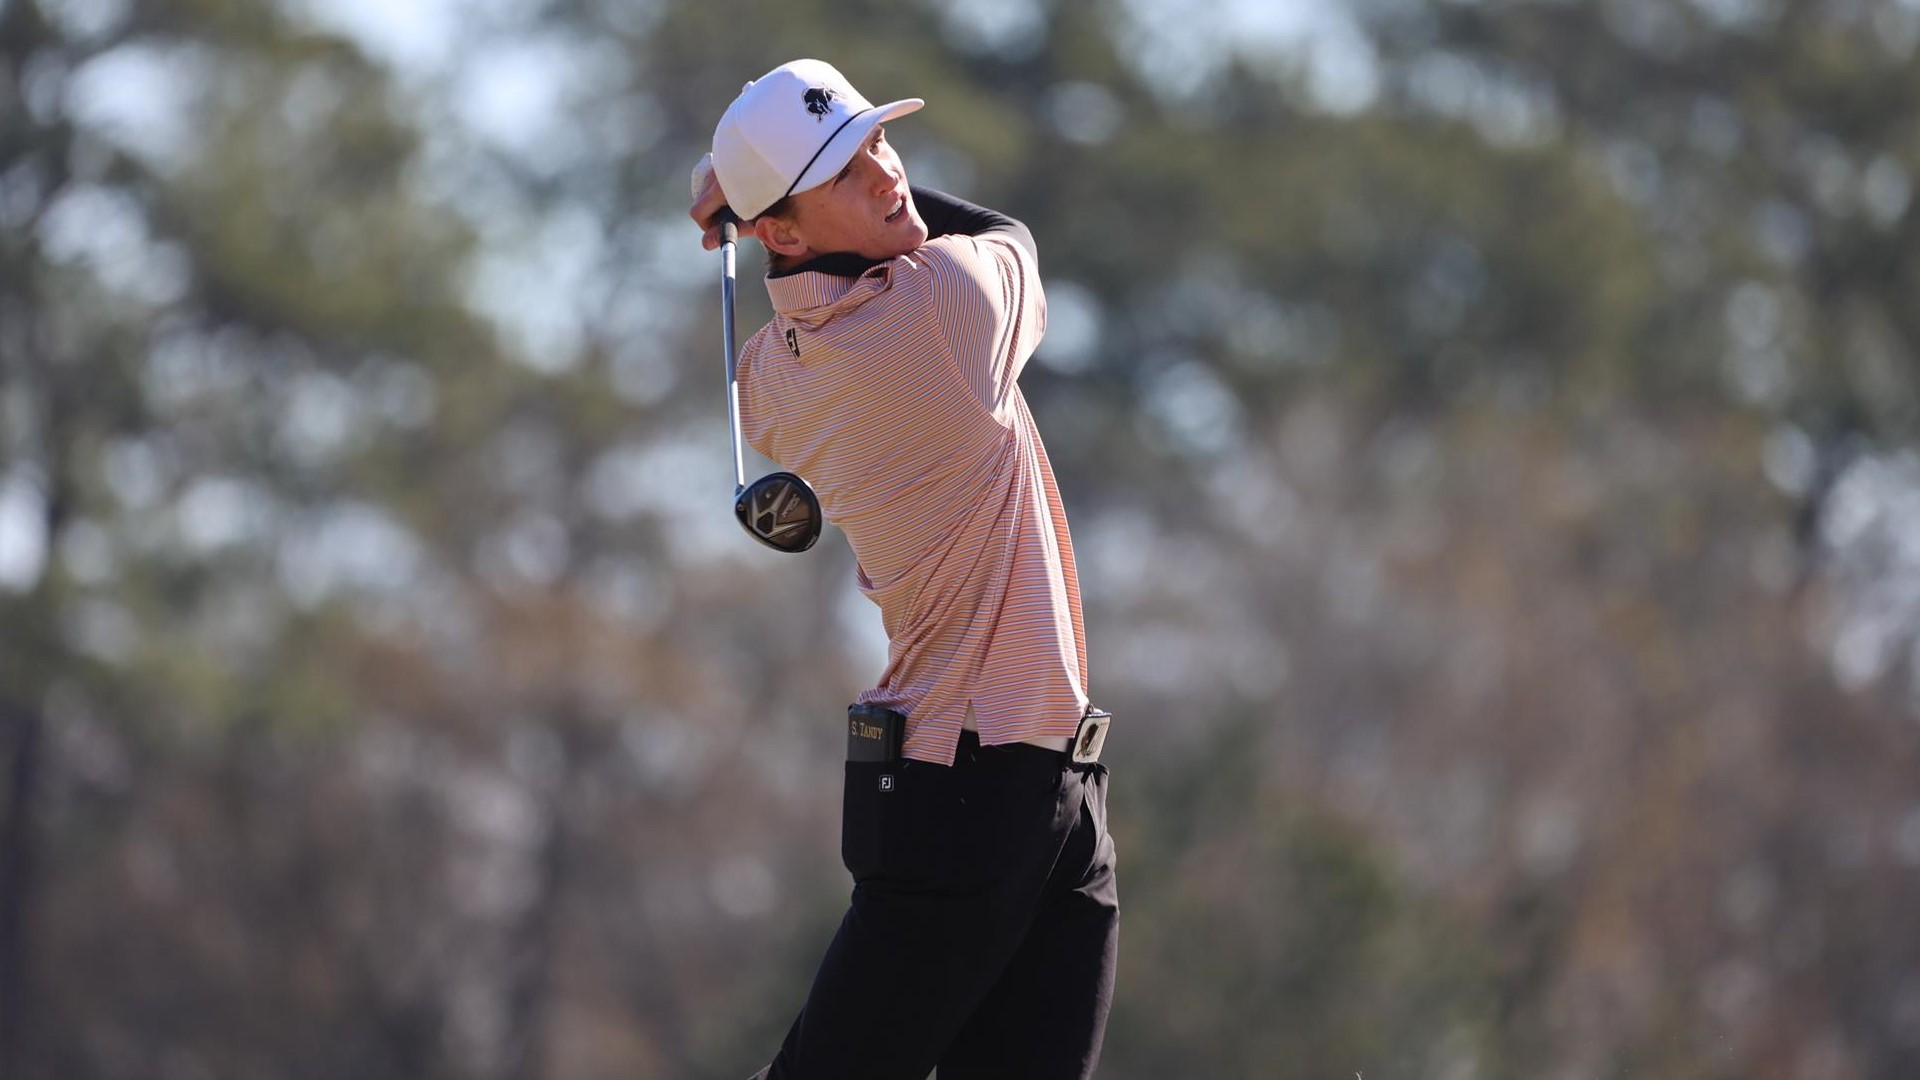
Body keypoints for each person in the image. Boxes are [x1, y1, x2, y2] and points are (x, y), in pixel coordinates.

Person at [689, 59, 1118, 1080]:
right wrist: (736, 198)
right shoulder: (947, 307)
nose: (889, 174)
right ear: (782, 230)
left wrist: (760, 210)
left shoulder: (768, 384)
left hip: (1027, 786)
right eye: (849, 171)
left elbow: (814, 284)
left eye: (881, 143)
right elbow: (1013, 235)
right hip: (966, 783)